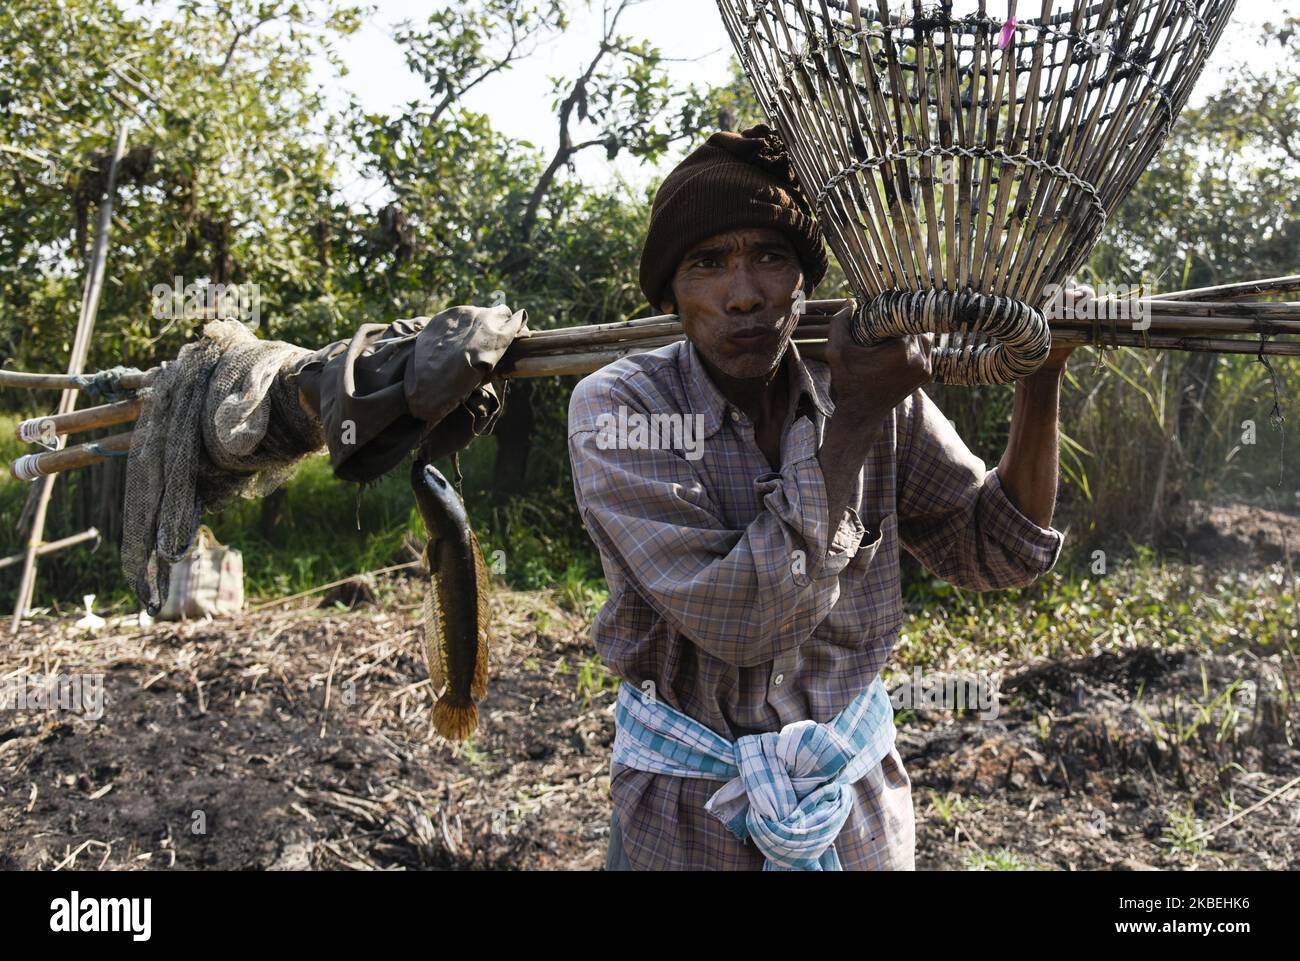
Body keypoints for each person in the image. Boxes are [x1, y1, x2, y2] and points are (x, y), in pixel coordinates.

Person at [567, 123, 1073, 871]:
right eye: (708, 263)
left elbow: (997, 549)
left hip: (851, 807)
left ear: (803, 281)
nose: (744, 295)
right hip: (686, 821)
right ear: (672, 291)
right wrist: (856, 421)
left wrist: (1043, 371)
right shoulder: (623, 411)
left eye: (770, 256)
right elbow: (743, 622)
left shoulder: (870, 393)